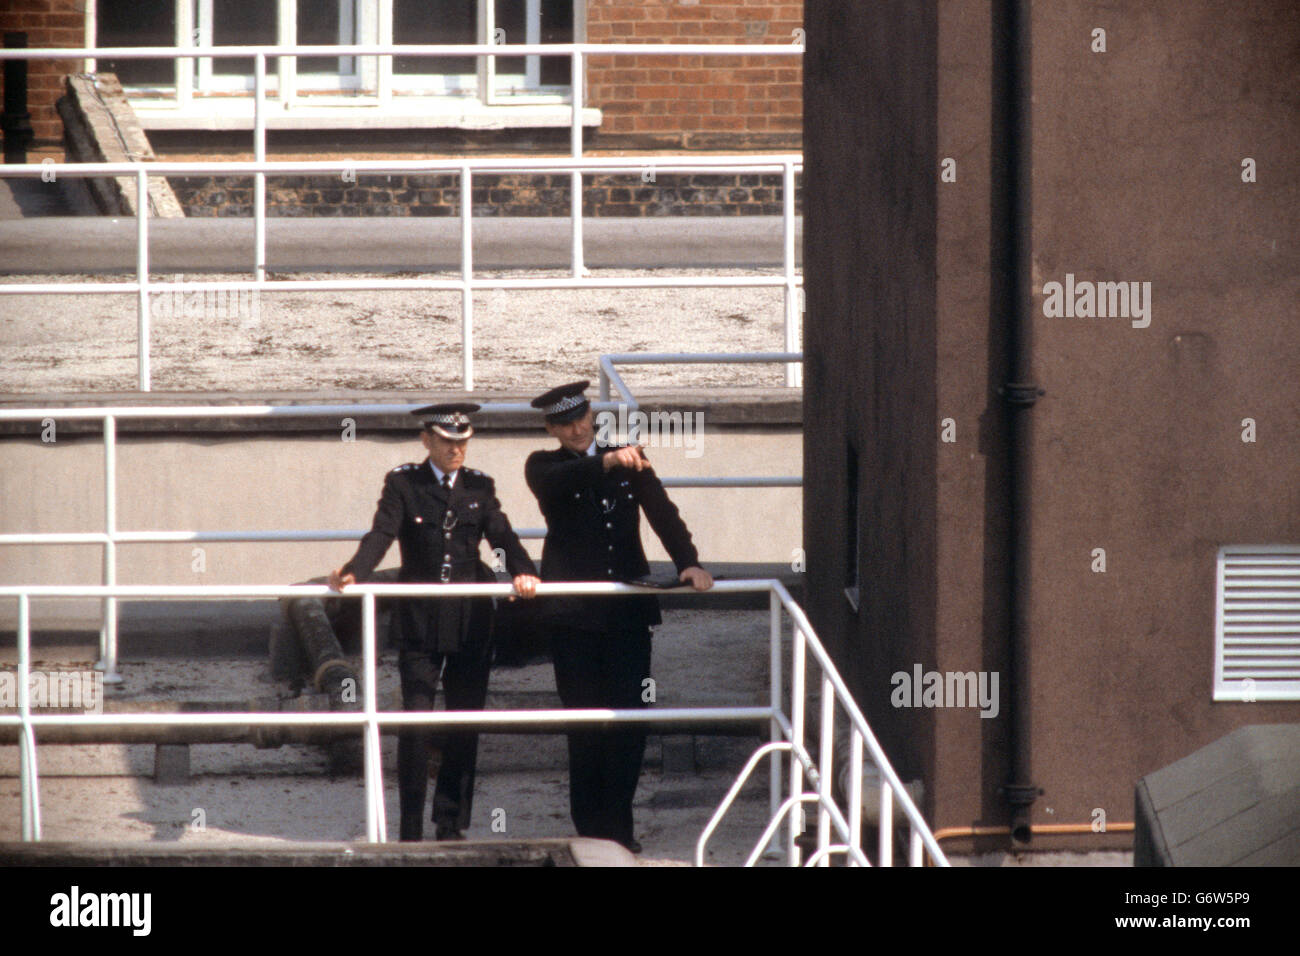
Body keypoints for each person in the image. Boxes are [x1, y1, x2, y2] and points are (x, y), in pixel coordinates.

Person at [329, 402, 539, 842]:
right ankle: (408, 829)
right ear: (427, 440)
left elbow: (501, 533)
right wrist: (354, 571)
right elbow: (382, 533)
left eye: (462, 443)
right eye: (447, 442)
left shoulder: (480, 487)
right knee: (416, 723)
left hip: (470, 618)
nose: (456, 451)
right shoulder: (404, 482)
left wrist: (523, 570)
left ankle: (450, 822)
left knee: (464, 721)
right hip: (421, 617)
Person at [525, 381, 712, 853]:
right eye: (565, 423)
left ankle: (619, 832)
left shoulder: (629, 459)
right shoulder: (544, 464)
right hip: (574, 619)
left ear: (591, 414)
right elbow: (556, 487)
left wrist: (688, 560)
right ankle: (591, 834)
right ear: (552, 427)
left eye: (583, 418)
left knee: (629, 724)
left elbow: (661, 512)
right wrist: (606, 461)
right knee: (586, 726)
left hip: (626, 616)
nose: (577, 428)